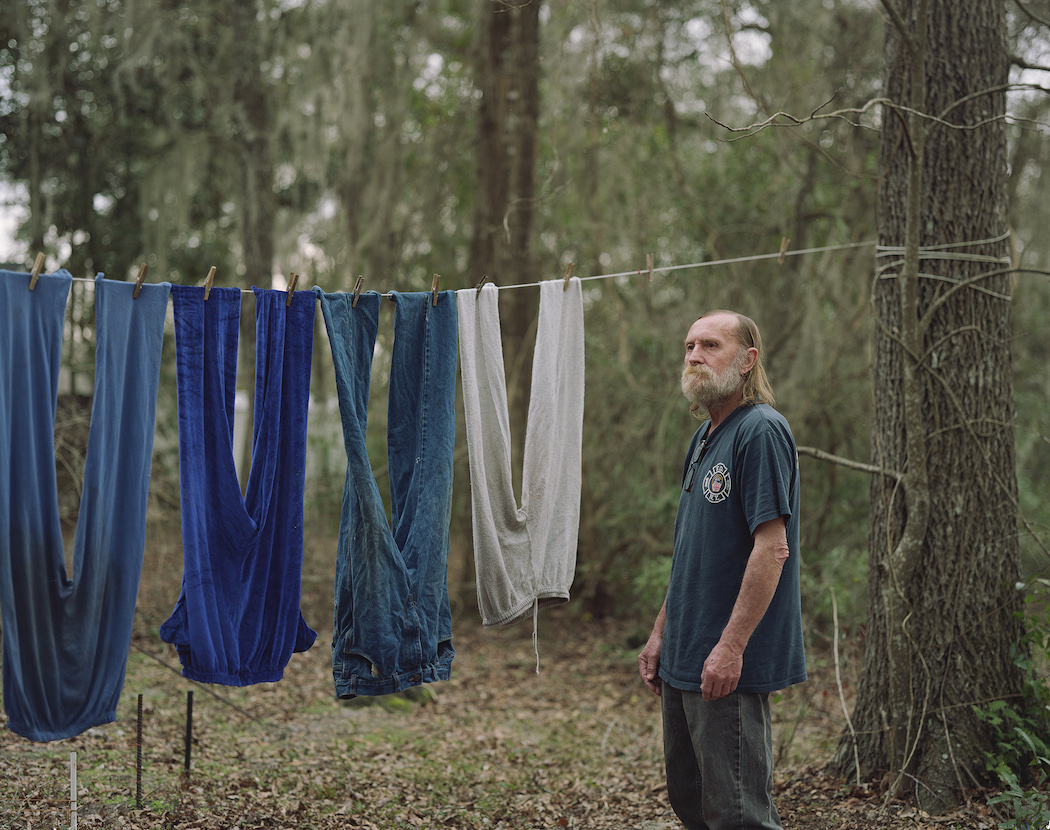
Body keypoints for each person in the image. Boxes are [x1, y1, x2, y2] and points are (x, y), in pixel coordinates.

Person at [637, 310, 806, 830]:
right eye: (689, 346)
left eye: (710, 345)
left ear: (748, 360)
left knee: (737, 814)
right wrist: (660, 633)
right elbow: (692, 550)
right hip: (684, 656)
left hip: (725, 660)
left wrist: (730, 648)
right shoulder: (705, 437)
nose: (693, 356)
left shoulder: (761, 431)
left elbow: (771, 548)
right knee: (690, 799)